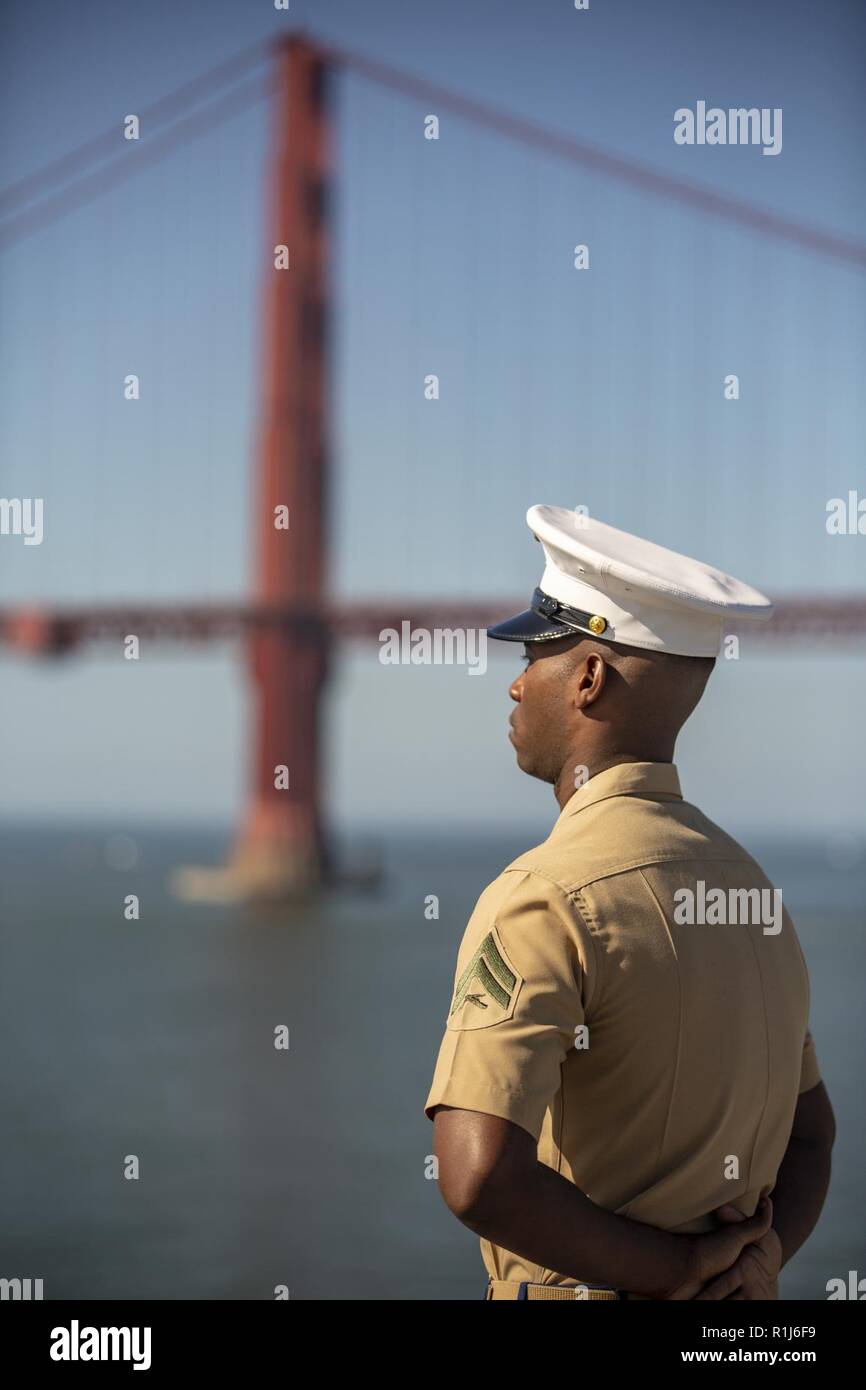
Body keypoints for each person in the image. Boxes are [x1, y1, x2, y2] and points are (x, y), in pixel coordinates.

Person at [424, 505, 835, 1301]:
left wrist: (673, 1275)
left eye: (536, 652)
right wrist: (758, 1263)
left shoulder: (540, 897)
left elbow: (475, 1177)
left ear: (587, 679)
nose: (514, 681)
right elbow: (813, 1134)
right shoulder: (753, 894)